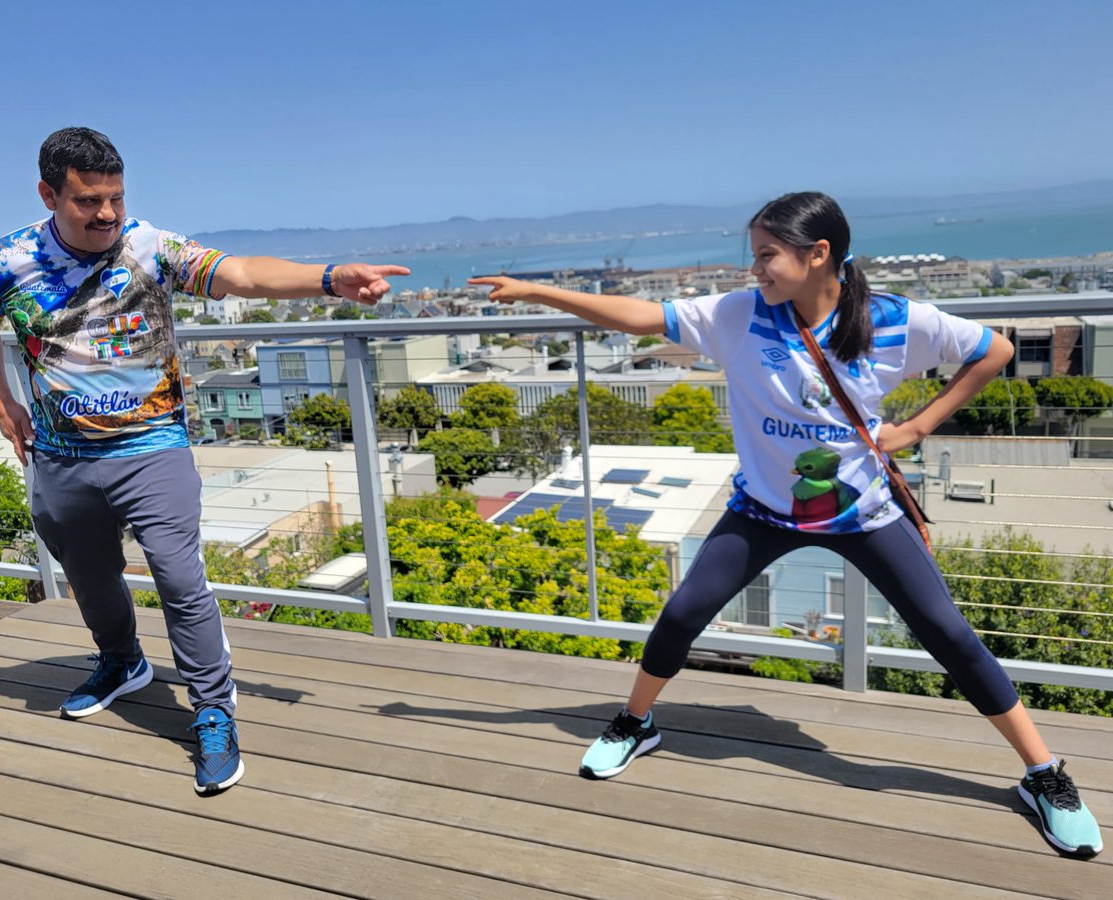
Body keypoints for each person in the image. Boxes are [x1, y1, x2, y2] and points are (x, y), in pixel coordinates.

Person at [470, 191, 1103, 859]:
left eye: (767, 256)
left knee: (947, 632)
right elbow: (638, 318)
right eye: (755, 257)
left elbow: (995, 349)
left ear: (818, 254)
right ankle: (635, 721)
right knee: (684, 611)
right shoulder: (739, 315)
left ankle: (1043, 776)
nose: (756, 270)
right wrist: (538, 292)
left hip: (863, 514)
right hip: (763, 511)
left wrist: (915, 427)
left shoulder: (893, 320)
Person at [0, 126, 407, 795]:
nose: (106, 214)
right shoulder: (9, 259)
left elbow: (242, 273)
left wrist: (327, 279)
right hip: (59, 455)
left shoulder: (149, 247)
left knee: (177, 576)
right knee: (89, 575)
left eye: (114, 197)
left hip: (152, 448)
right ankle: (122, 663)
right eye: (88, 201)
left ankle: (214, 710)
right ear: (49, 194)